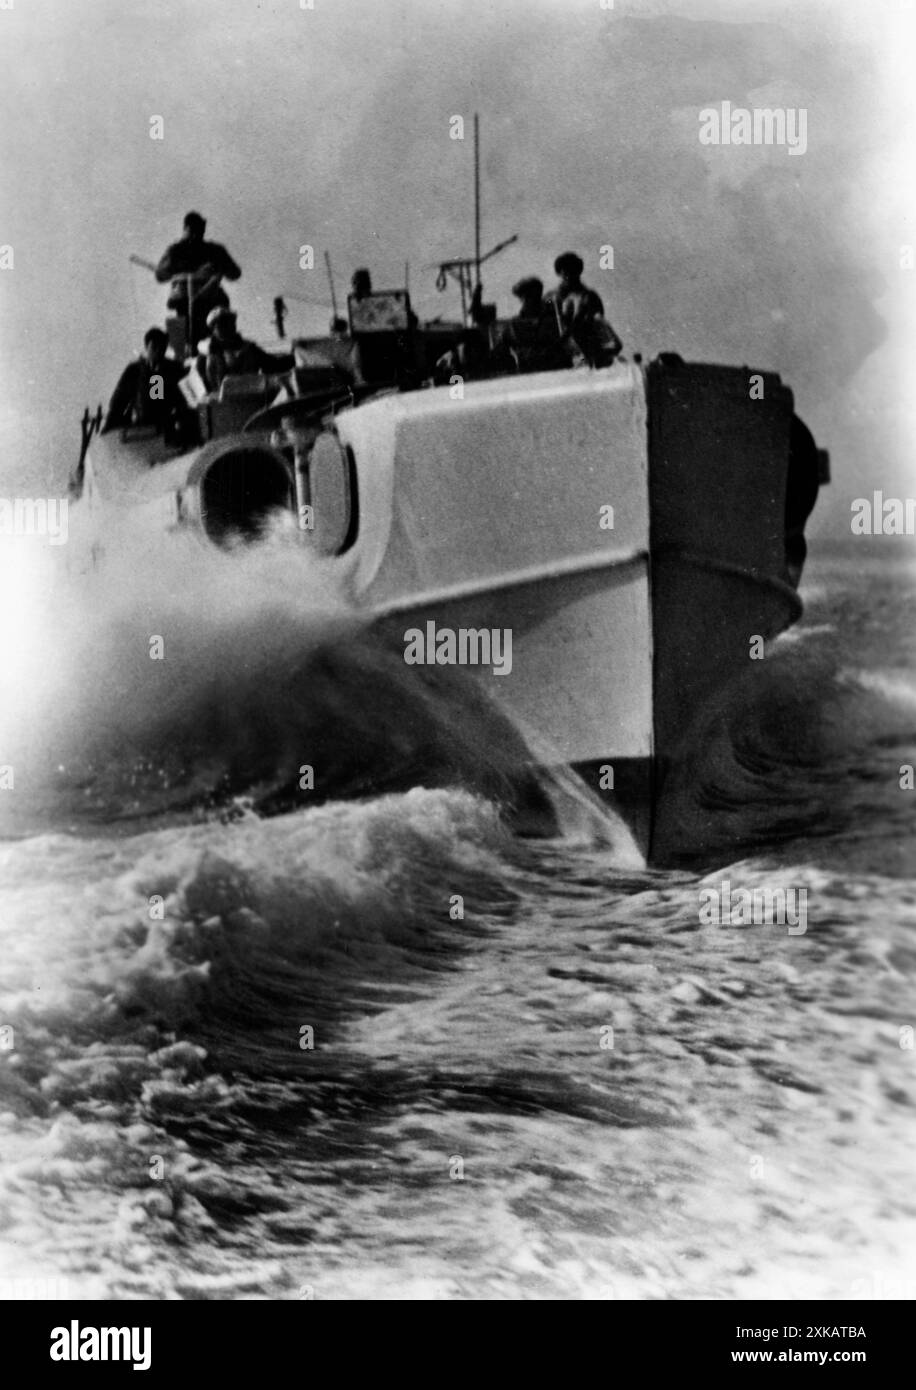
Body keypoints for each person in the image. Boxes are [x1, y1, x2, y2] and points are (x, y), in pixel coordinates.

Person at [155, 211, 241, 347]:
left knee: (213, 339)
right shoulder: (175, 251)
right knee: (185, 340)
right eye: (193, 231)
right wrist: (174, 267)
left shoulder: (214, 251)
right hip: (185, 304)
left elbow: (235, 273)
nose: (196, 235)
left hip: (210, 302)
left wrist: (218, 268)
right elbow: (160, 275)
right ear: (186, 230)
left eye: (199, 231)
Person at [102, 326, 190, 438]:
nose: (158, 351)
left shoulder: (174, 368)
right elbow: (118, 403)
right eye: (154, 347)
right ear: (146, 347)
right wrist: (107, 429)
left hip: (169, 426)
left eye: (162, 347)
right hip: (141, 428)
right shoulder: (135, 370)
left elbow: (186, 398)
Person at [546, 251, 622, 366]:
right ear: (559, 273)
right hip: (560, 352)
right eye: (565, 272)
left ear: (579, 271)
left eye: (572, 271)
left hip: (586, 350)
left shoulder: (589, 296)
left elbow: (597, 323)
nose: (569, 275)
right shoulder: (551, 297)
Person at [204, 307, 293, 391]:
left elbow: (273, 364)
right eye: (222, 324)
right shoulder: (212, 356)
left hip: (252, 395)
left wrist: (294, 356)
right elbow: (215, 387)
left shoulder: (249, 348)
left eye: (230, 322)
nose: (228, 327)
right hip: (227, 401)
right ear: (214, 330)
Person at [492, 276, 567, 373]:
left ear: (539, 295)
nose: (527, 301)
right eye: (523, 297)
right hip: (527, 373)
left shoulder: (555, 320)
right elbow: (500, 351)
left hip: (557, 370)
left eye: (532, 296)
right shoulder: (513, 325)